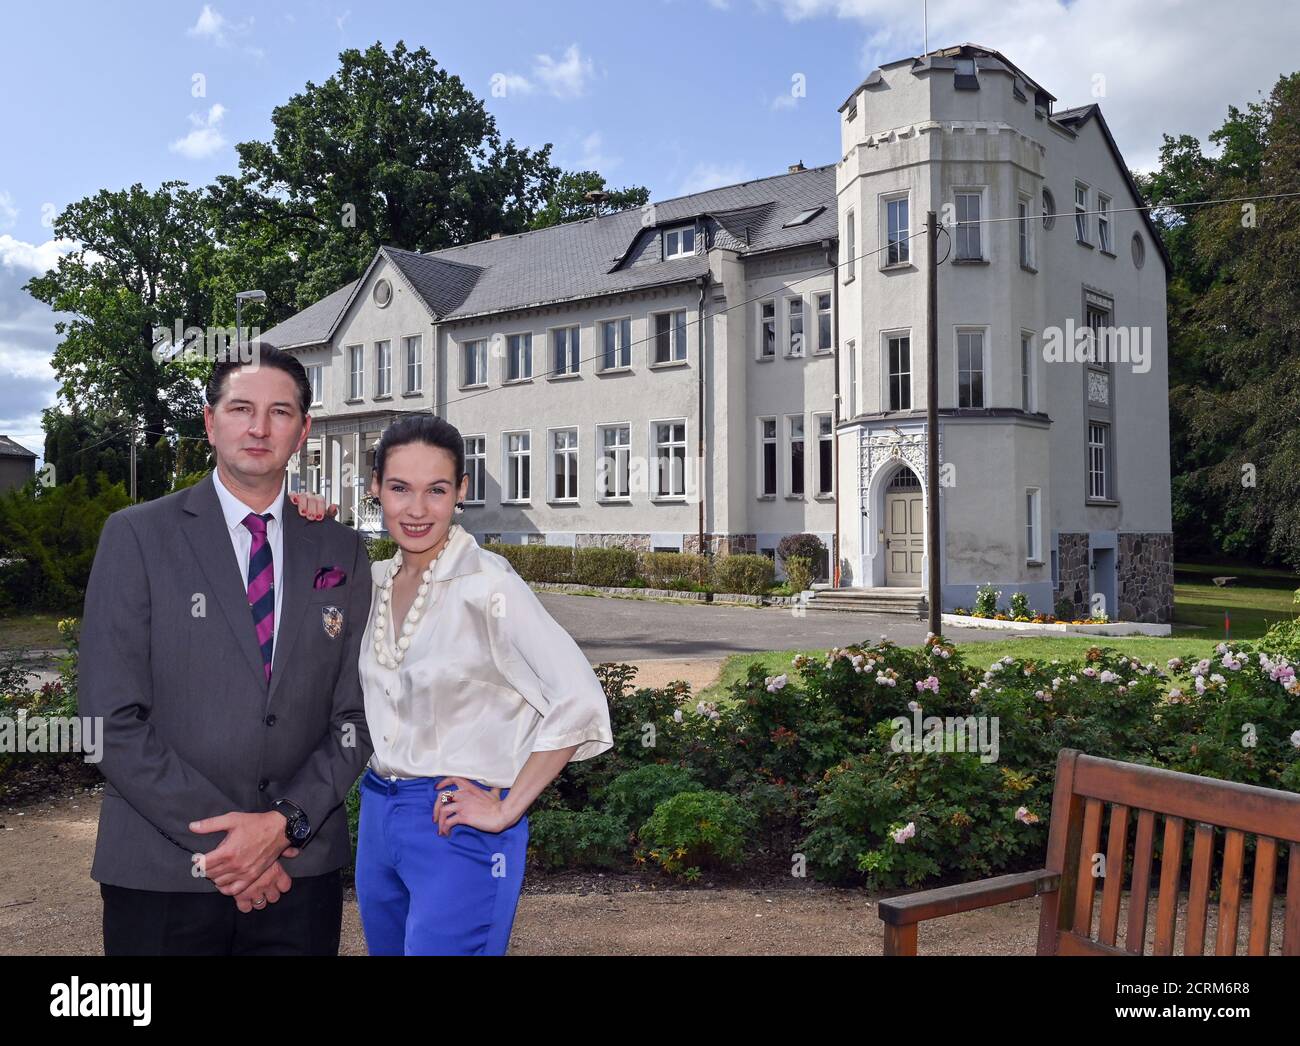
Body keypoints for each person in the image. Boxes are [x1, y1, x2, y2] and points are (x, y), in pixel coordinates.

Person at [80, 345, 373, 956]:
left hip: (300, 869)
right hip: (161, 873)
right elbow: (107, 722)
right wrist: (235, 843)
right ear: (211, 423)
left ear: (303, 431)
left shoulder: (341, 550)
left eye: (280, 412)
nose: (259, 427)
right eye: (241, 409)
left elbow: (357, 716)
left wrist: (283, 824)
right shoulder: (136, 536)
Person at [337, 413, 613, 955]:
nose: (417, 510)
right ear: (375, 489)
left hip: (457, 824)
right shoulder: (372, 584)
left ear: (461, 490)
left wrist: (508, 806)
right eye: (399, 488)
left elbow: (579, 697)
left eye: (436, 490)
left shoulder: (489, 583)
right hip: (376, 820)